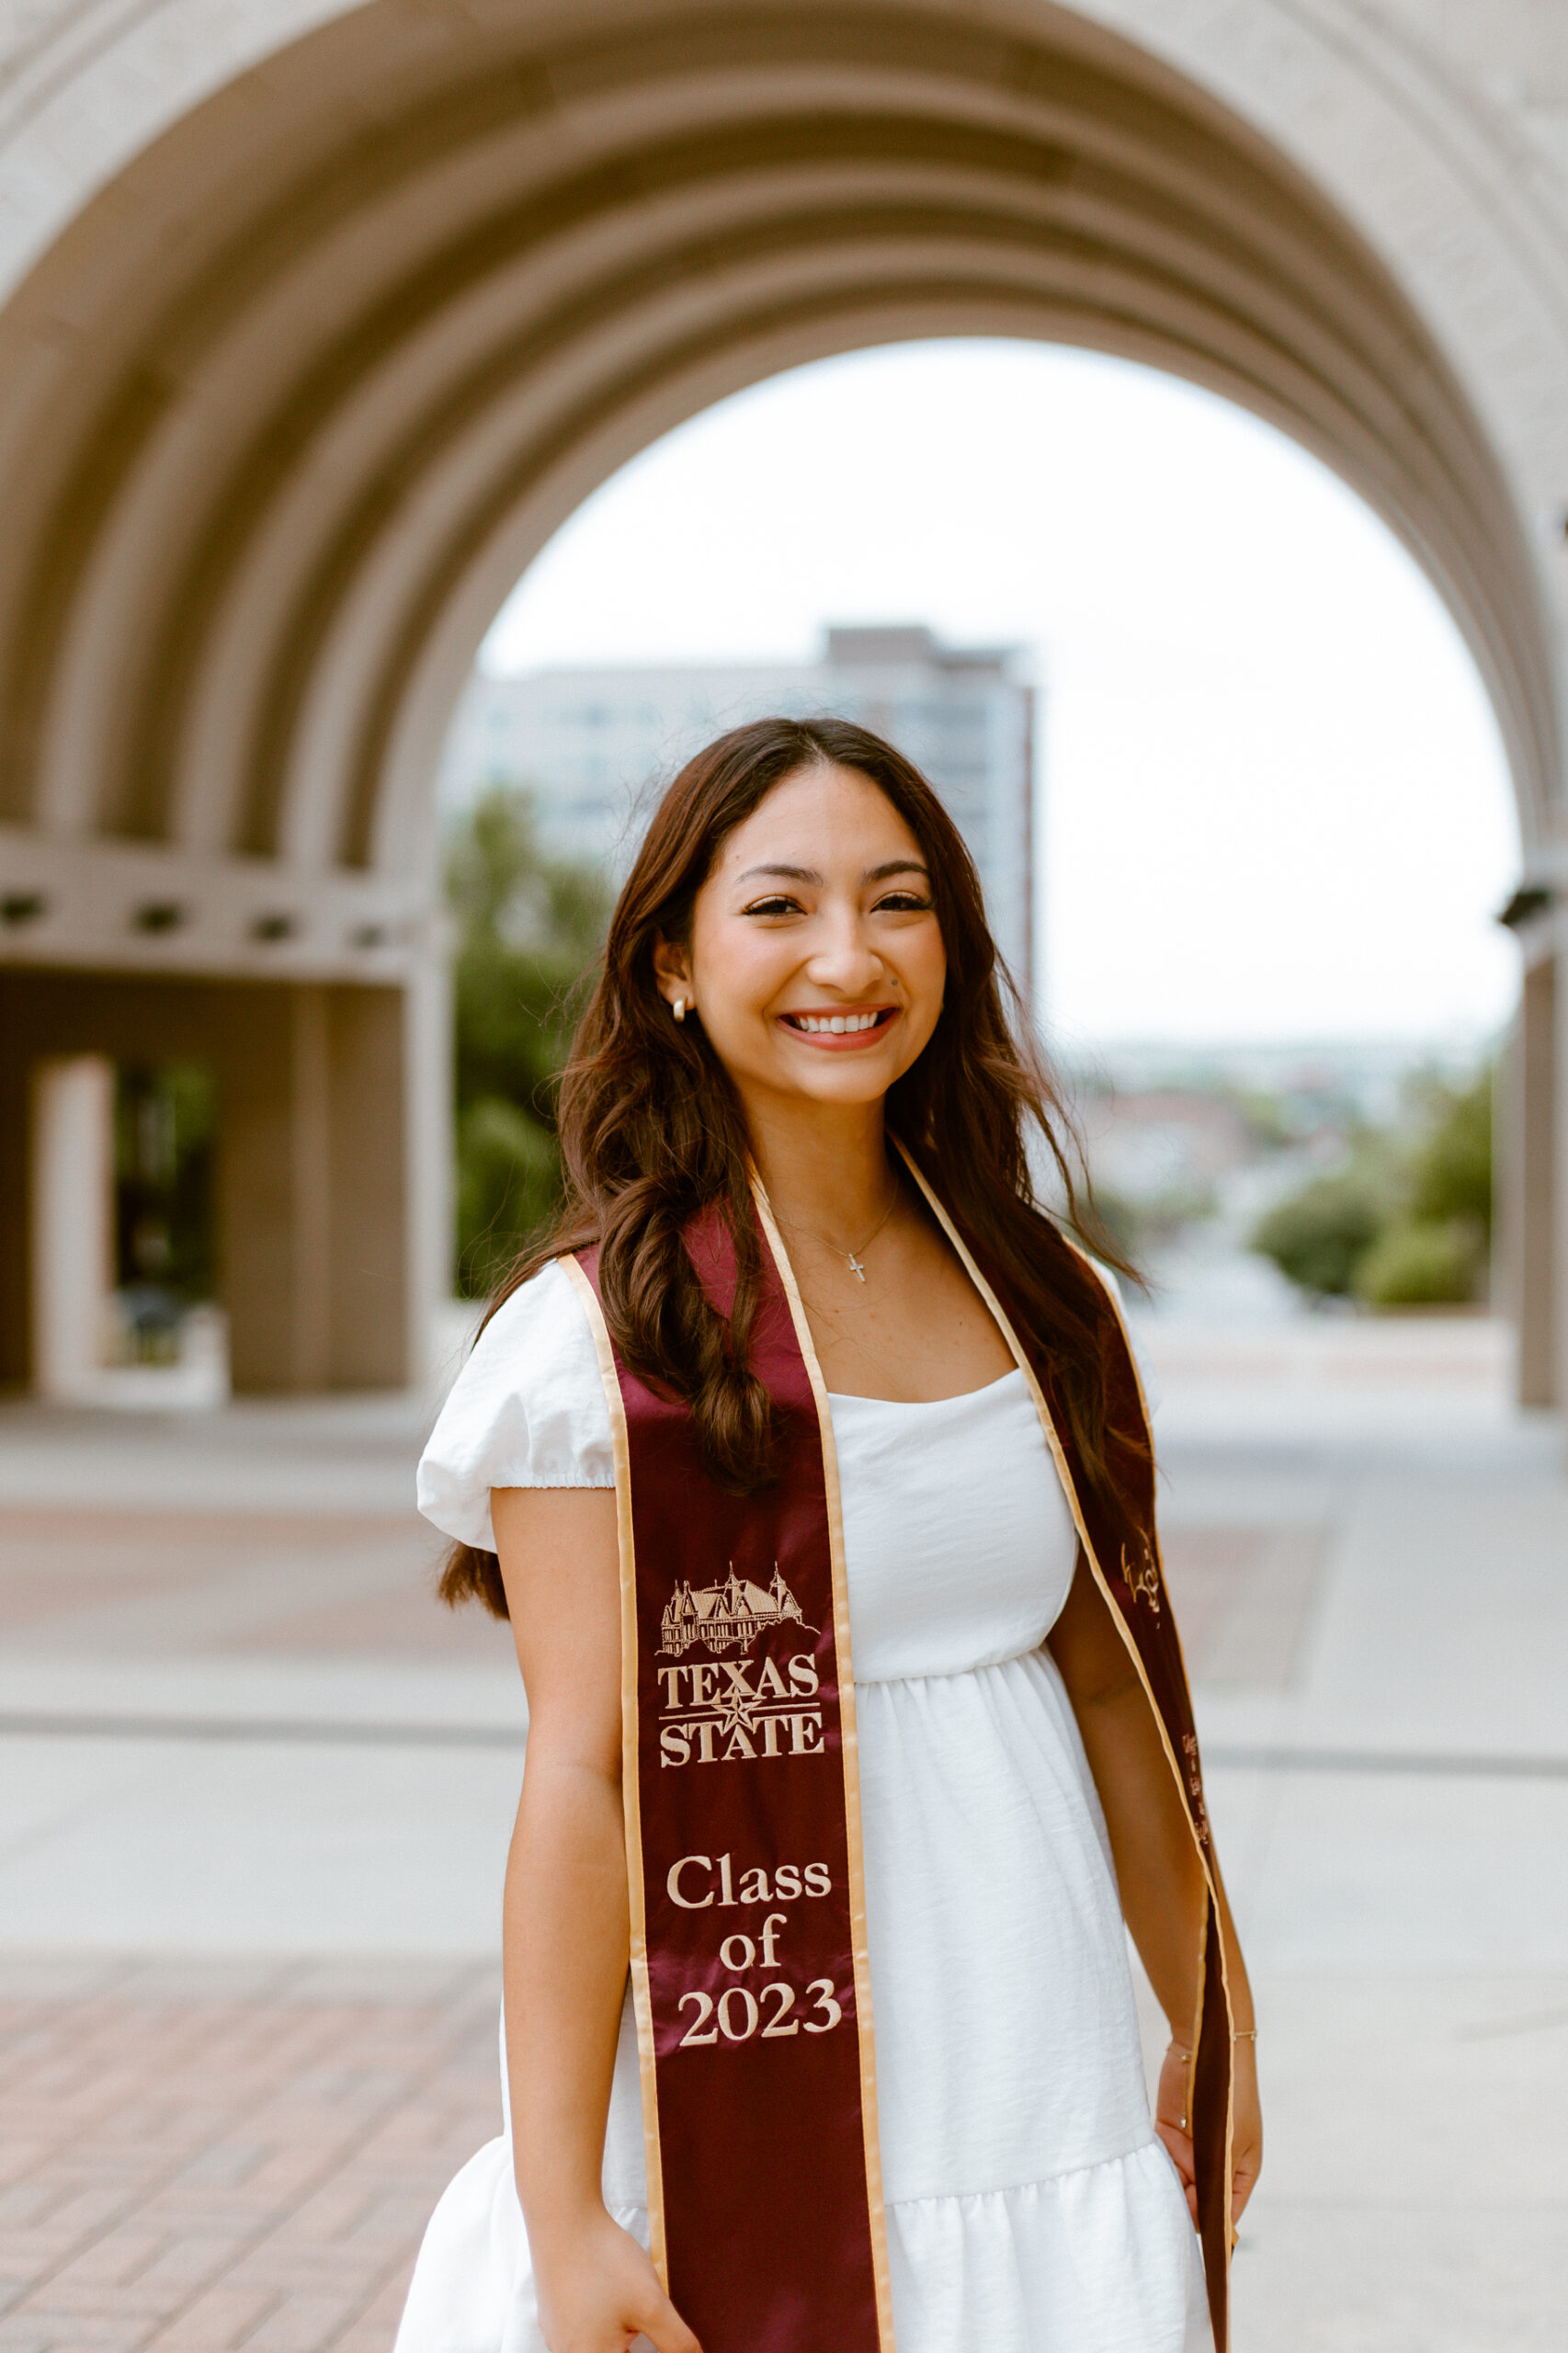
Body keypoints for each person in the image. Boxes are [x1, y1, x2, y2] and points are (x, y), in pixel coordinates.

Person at [397, 718, 1261, 2353]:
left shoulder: (1039, 1298)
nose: (846, 959)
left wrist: (1211, 2018)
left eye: (898, 902)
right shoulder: (601, 1346)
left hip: (1036, 2060)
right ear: (671, 961)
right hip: (740, 2073)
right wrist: (565, 2211)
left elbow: (1109, 1696)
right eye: (780, 907)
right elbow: (580, 1771)